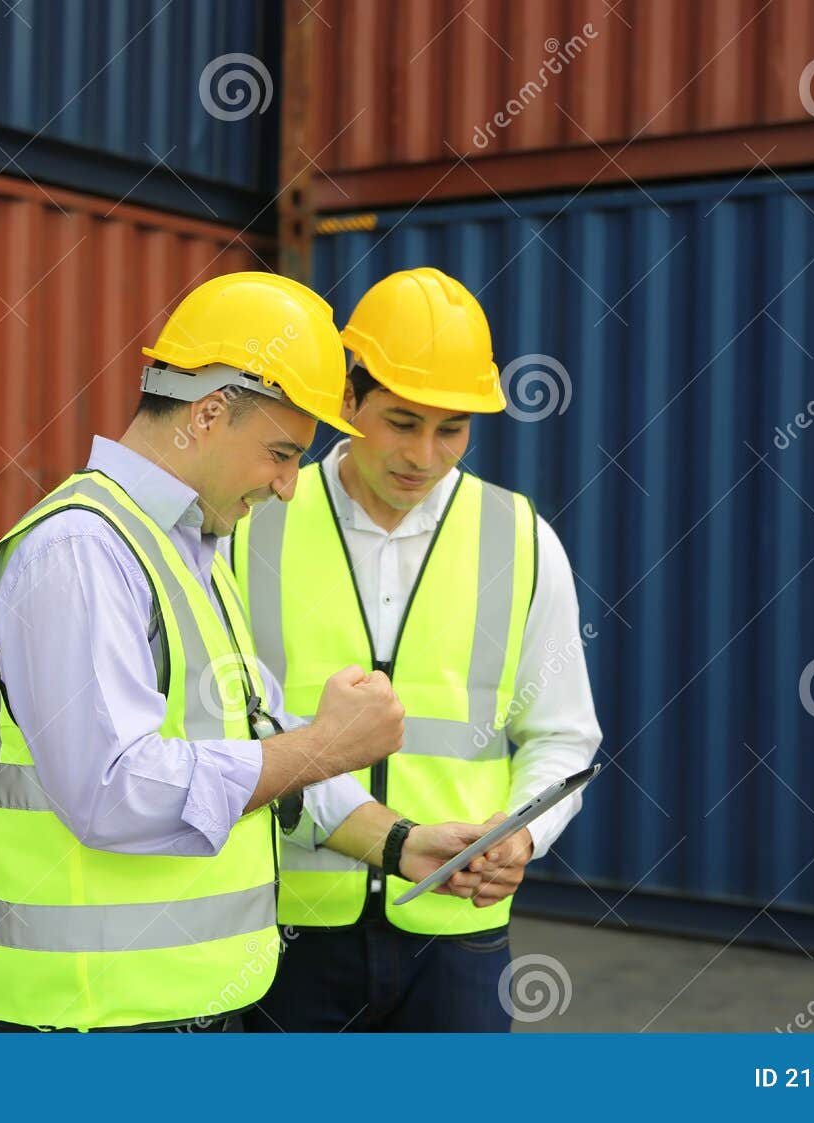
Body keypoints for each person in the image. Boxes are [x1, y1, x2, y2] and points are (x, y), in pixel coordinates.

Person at [0, 272, 489, 1033]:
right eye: (281, 453)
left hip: (182, 1012)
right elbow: (114, 791)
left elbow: (260, 747)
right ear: (209, 412)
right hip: (97, 1025)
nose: (289, 486)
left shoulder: (192, 553)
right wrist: (322, 746)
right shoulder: (82, 548)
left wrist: (403, 843)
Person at [232, 267, 602, 1032]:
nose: (426, 457)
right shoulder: (250, 530)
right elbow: (234, 727)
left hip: (457, 937)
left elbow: (563, 737)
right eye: (401, 422)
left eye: (452, 429)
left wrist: (523, 833)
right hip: (285, 926)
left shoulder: (523, 540)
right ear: (345, 401)